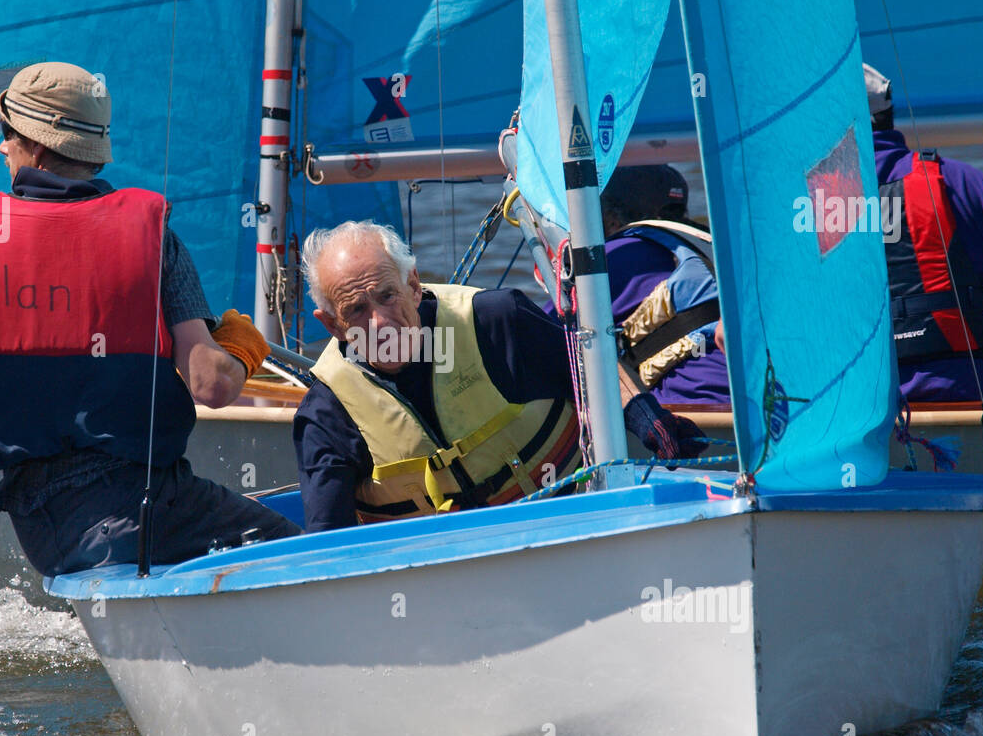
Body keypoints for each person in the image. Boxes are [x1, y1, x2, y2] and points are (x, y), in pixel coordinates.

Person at [0, 61, 299, 574]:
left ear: (36, 147)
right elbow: (212, 385)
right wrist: (242, 345)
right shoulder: (154, 241)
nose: (1, 146)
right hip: (146, 503)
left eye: (7, 133)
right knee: (298, 550)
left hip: (42, 524)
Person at [292, 220, 707, 532]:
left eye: (387, 296)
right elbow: (328, 543)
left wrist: (648, 420)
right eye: (357, 311)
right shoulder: (327, 413)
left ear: (414, 286)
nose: (380, 323)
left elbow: (587, 365)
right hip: (442, 580)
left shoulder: (497, 320)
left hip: (572, 530)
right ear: (332, 325)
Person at [865, 62, 983, 401]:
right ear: (889, 113)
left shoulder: (796, 204)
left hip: (842, 419)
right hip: (959, 404)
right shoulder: (966, 184)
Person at [543, 165, 730, 405]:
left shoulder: (616, 254)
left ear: (610, 219)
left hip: (700, 415)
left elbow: (539, 334)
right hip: (771, 401)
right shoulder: (715, 248)